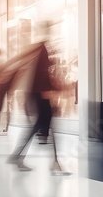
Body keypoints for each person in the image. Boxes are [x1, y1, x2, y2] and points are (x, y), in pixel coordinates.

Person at [6, 39, 64, 173]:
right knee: (42, 123)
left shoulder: (39, 50)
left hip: (37, 93)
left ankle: (18, 156)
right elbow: (42, 74)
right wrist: (51, 89)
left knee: (41, 124)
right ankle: (54, 163)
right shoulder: (41, 49)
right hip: (40, 94)